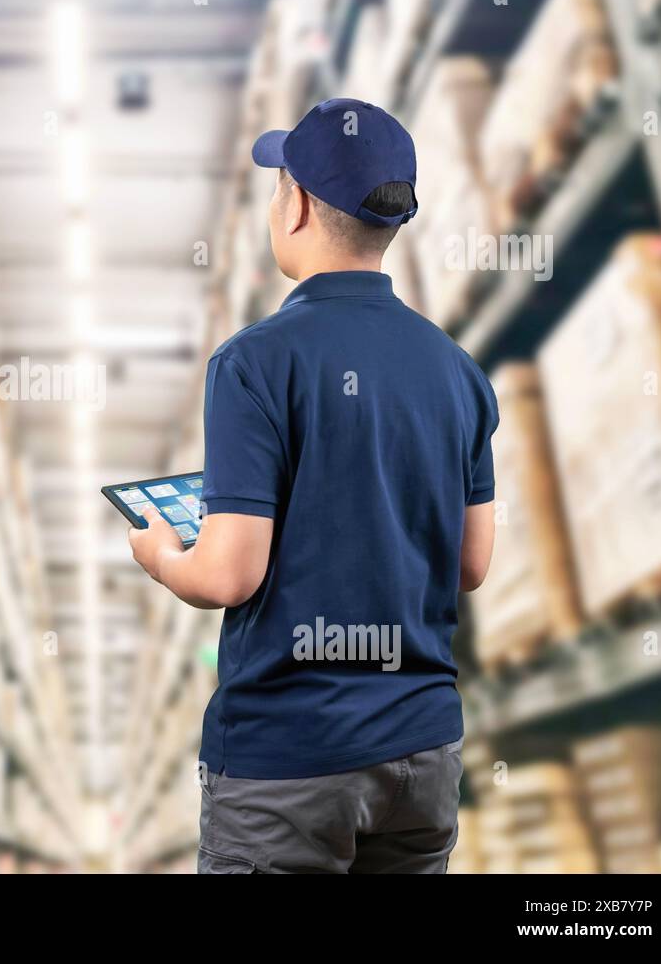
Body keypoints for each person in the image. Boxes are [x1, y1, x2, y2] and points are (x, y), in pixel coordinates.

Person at [127, 98, 498, 874]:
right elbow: (469, 564)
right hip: (423, 756)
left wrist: (162, 552)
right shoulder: (457, 370)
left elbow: (230, 573)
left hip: (290, 764)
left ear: (294, 204)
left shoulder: (254, 363)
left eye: (276, 187)